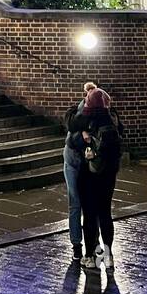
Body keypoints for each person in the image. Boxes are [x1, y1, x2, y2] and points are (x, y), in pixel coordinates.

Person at [71, 88, 123, 271]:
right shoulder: (112, 119)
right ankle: (108, 256)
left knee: (90, 217)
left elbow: (72, 125)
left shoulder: (86, 119)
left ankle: (91, 256)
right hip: (108, 175)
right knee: (106, 214)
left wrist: (84, 107)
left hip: (90, 174)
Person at [63, 81, 98, 260]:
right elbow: (72, 129)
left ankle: (92, 243)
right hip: (74, 162)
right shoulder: (76, 112)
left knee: (90, 206)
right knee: (75, 204)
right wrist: (84, 131)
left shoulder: (101, 115)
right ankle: (77, 244)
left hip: (87, 165)